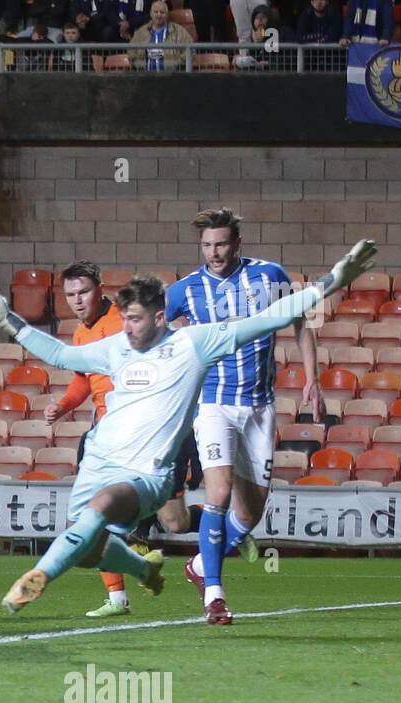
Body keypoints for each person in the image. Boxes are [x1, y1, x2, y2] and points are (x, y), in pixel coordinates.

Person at [0, 240, 378, 617]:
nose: (127, 328)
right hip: (99, 461)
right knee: (89, 550)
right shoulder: (117, 346)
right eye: (124, 318)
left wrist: (330, 282)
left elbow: (270, 318)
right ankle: (142, 567)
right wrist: (7, 320)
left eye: (136, 320)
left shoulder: (194, 343)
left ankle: (38, 577)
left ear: (161, 316)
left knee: (102, 508)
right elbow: (59, 353)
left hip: (149, 473)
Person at [167, 208, 322, 624]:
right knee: (217, 492)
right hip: (214, 404)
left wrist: (312, 378)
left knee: (250, 516)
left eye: (220, 244)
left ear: (236, 243)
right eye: (206, 246)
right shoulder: (185, 290)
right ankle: (214, 595)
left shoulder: (269, 276)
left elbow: (301, 322)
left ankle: (200, 565)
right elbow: (149, 334)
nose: (213, 253)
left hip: (259, 407)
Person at [47, 261, 196, 618]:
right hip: (107, 437)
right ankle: (117, 598)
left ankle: (222, 521)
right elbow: (85, 378)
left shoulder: (125, 322)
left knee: (175, 522)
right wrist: (64, 405)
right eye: (70, 295)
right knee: (91, 522)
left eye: (83, 291)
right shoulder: (82, 333)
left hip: (149, 436)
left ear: (100, 289)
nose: (77, 301)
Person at [130, 0, 191, 71]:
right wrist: (140, 65)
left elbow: (190, 51)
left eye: (162, 12)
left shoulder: (179, 31)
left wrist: (175, 64)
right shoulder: (141, 32)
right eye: (156, 12)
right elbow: (131, 51)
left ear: (167, 14)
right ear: (151, 14)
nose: (159, 15)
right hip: (145, 77)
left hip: (172, 76)